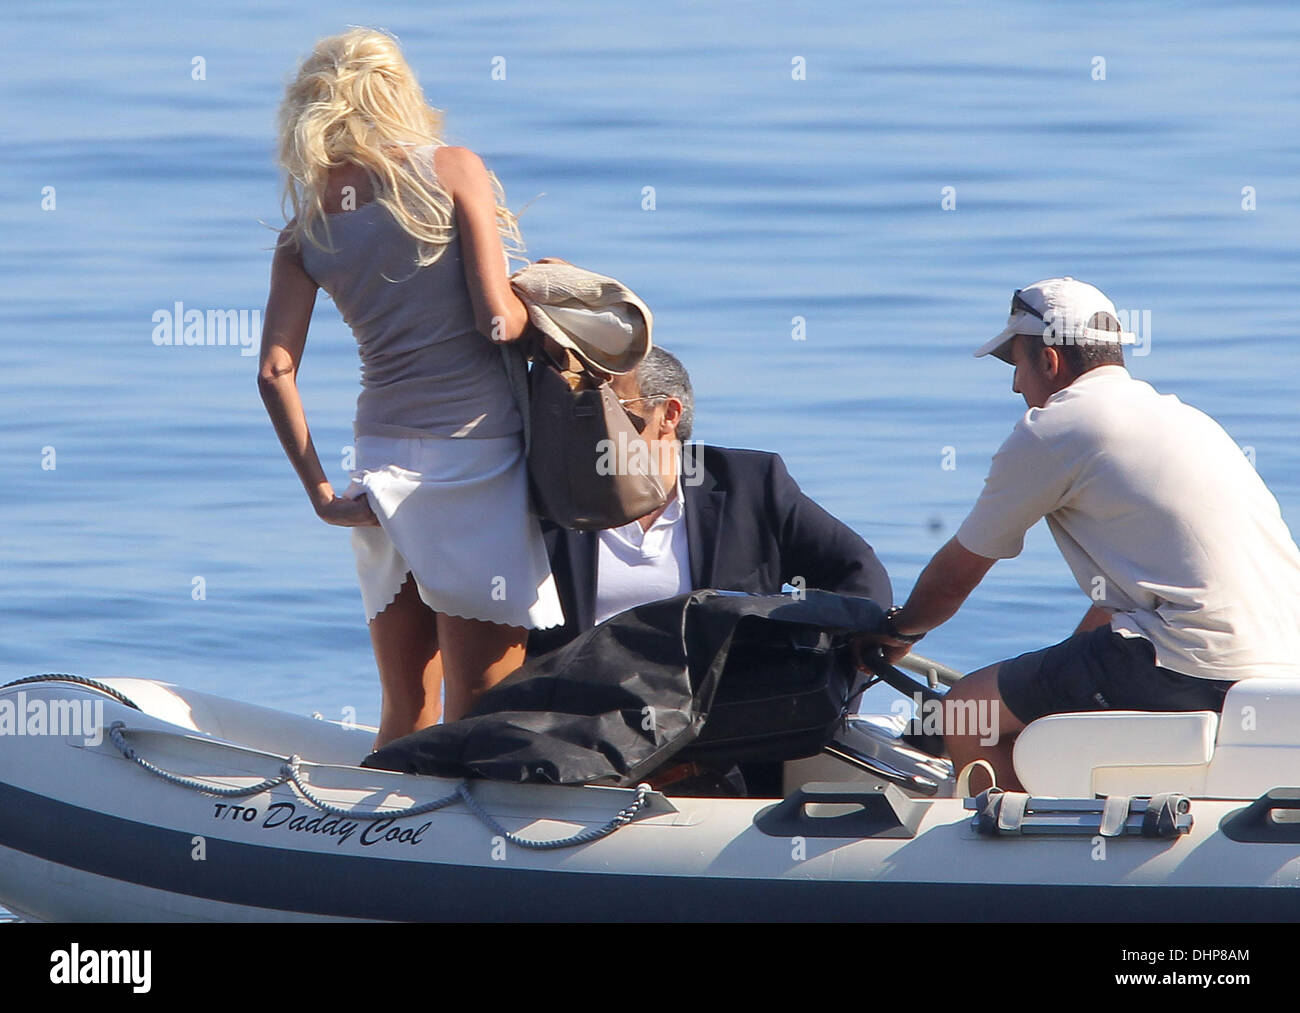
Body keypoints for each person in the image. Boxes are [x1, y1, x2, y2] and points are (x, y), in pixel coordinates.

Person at [258, 28, 563, 749]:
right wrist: (544, 297)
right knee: (483, 704)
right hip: (474, 459)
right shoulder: (453, 168)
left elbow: (275, 371)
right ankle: (474, 851)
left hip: (380, 462)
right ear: (398, 92)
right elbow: (496, 318)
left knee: (402, 707)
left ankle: (376, 843)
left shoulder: (304, 231)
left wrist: (323, 494)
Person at [876, 277, 1300, 790]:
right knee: (1034, 697)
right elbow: (1140, 587)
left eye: (1016, 365)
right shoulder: (1188, 421)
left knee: (966, 712)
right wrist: (1054, 685)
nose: (1015, 387)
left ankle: (1017, 852)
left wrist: (899, 633)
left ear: (1050, 362)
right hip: (1281, 665)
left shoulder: (1055, 428)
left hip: (1193, 663)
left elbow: (957, 573)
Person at [527, 346, 892, 794]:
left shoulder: (751, 484)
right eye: (581, 410)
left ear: (668, 415)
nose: (587, 425)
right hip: (576, 741)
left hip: (716, 740)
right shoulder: (549, 498)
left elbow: (857, 574)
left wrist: (834, 673)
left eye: (611, 409)